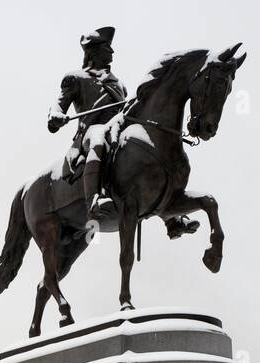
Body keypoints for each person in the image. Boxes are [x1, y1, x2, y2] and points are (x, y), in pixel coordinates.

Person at [47, 26, 196, 237]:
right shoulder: (76, 78)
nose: (112, 53)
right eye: (107, 48)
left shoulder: (118, 84)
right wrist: (55, 117)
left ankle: (171, 217)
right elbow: (58, 106)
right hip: (90, 134)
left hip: (115, 129)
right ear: (94, 51)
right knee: (99, 138)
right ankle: (95, 201)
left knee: (146, 150)